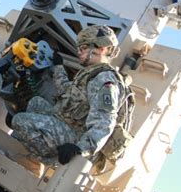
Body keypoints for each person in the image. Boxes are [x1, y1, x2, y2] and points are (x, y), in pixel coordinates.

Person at [11, 25, 133, 168]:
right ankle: (24, 149)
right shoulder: (90, 73)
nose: (79, 52)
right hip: (64, 122)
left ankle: (52, 163)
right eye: (79, 48)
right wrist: (58, 67)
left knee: (19, 120)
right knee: (35, 102)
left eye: (84, 47)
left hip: (75, 137)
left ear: (102, 48)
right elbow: (66, 91)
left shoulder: (105, 80)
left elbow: (104, 122)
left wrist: (80, 149)